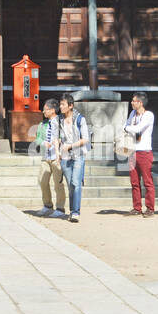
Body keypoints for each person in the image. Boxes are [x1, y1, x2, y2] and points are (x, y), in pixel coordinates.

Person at [57, 93, 91, 222]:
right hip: (65, 156)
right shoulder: (59, 120)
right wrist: (58, 152)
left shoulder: (80, 119)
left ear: (70, 106)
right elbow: (58, 137)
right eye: (60, 104)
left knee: (76, 183)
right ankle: (72, 210)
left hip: (78, 155)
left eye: (63, 104)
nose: (60, 106)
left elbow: (86, 139)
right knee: (70, 185)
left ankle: (76, 212)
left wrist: (71, 146)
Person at [124, 91, 156, 217]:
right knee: (134, 181)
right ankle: (137, 207)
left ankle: (150, 208)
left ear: (140, 103)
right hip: (132, 150)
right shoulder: (132, 114)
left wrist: (127, 128)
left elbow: (137, 129)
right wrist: (127, 128)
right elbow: (124, 125)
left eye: (134, 101)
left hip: (144, 151)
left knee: (147, 181)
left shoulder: (148, 115)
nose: (132, 103)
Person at [36, 98, 66, 218]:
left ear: (53, 110)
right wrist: (43, 142)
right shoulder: (42, 124)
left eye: (45, 110)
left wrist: (59, 142)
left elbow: (66, 136)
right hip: (46, 156)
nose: (43, 112)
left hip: (57, 157)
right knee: (42, 181)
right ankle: (47, 205)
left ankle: (60, 208)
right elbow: (37, 138)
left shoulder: (62, 122)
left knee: (58, 183)